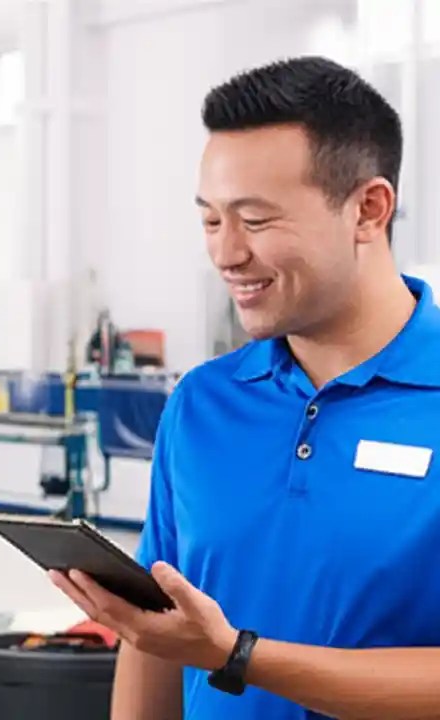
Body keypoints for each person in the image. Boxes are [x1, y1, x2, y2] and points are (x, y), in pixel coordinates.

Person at [49, 56, 440, 719]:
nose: (226, 254)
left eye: (255, 221)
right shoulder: (201, 405)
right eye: (210, 220)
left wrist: (238, 655)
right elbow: (155, 629)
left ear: (369, 209)